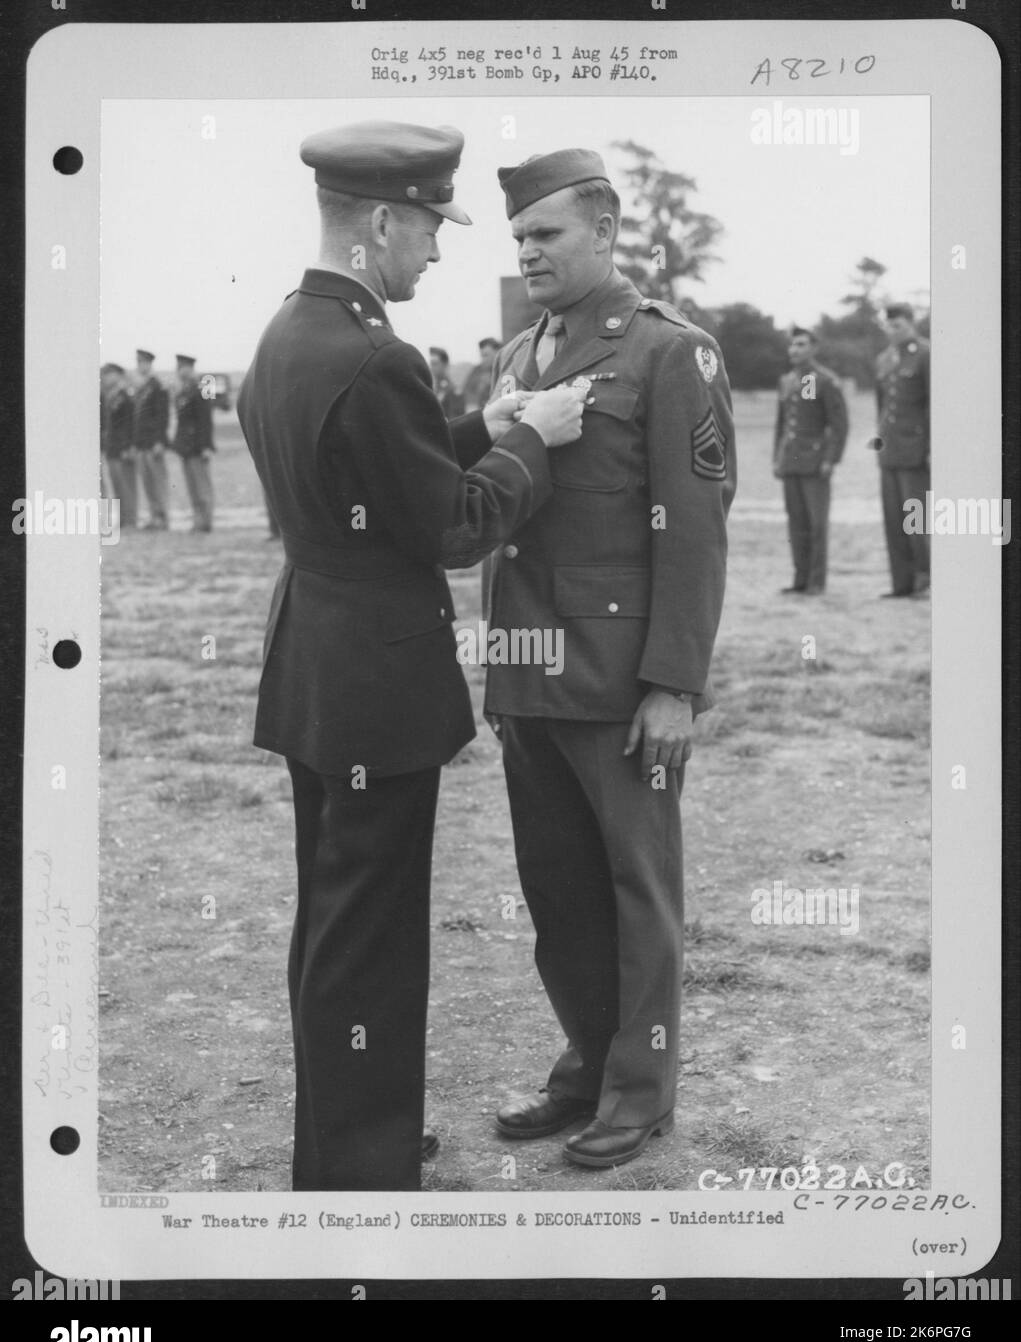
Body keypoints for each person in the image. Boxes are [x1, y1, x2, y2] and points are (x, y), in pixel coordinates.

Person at [236, 120, 583, 1193]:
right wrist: (536, 440)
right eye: (428, 227)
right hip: (376, 688)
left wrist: (487, 419)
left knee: (334, 919)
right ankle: (358, 1161)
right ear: (380, 221)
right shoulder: (375, 352)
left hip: (314, 669)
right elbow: (448, 527)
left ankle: (343, 1128)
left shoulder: (290, 332)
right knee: (370, 934)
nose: (434, 251)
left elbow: (384, 470)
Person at [484, 149, 736, 1168]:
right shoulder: (517, 354)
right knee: (559, 895)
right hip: (528, 674)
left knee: (636, 894)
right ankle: (587, 1066)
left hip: (620, 685)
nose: (527, 251)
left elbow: (696, 532)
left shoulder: (670, 354)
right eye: (518, 238)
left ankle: (640, 1092)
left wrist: (674, 683)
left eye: (544, 234)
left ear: (604, 232)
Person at [772, 327, 849, 595]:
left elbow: (839, 425)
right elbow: (781, 425)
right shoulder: (787, 380)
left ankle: (816, 582)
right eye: (792, 345)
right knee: (796, 524)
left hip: (815, 462)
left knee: (816, 524)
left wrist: (831, 459)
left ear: (814, 348)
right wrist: (777, 459)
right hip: (791, 461)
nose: (795, 349)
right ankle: (800, 579)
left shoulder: (824, 380)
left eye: (802, 344)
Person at [874, 303, 930, 597]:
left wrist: (932, 449)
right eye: (890, 325)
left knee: (916, 519)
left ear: (911, 322)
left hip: (916, 450)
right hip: (890, 451)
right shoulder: (884, 359)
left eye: (899, 325)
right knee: (894, 521)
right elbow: (881, 407)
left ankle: (924, 580)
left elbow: (934, 404)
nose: (893, 331)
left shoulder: (925, 354)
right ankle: (901, 583)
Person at [171, 354, 216, 532]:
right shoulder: (183, 391)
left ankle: (206, 521)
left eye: (185, 367)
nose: (182, 371)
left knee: (202, 487)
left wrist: (206, 446)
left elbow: (206, 420)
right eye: (180, 367)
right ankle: (198, 520)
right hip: (186, 447)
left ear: (191, 368)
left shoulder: (202, 388)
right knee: (192, 488)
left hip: (198, 447)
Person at [131, 349, 170, 530]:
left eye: (142, 362)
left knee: (158, 482)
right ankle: (154, 516)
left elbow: (162, 416)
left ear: (149, 363)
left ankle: (162, 517)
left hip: (154, 443)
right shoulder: (142, 388)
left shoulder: (157, 386)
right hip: (142, 443)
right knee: (148, 483)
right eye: (138, 362)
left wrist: (159, 441)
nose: (140, 365)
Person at [100, 362, 137, 528]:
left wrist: (129, 446)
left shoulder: (125, 397)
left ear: (117, 375)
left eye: (109, 374)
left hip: (123, 448)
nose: (106, 378)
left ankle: (130, 519)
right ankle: (123, 519)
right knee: (117, 485)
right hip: (113, 448)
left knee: (127, 486)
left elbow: (131, 424)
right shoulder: (110, 396)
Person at [462, 336, 502, 411]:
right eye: (482, 355)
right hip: (481, 412)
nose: (483, 359)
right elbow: (467, 392)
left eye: (486, 355)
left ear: (498, 353)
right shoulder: (476, 371)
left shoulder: (506, 370)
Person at [428, 346, 464, 419]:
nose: (432, 367)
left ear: (445, 365)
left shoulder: (452, 389)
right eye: (431, 364)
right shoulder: (432, 388)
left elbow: (455, 419)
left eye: (435, 364)